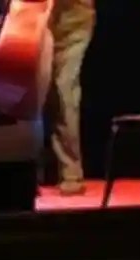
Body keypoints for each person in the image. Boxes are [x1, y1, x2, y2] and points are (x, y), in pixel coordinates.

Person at [42, 0, 95, 195]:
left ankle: (72, 173)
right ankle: (30, 171)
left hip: (73, 22)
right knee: (34, 92)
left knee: (64, 89)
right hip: (37, 19)